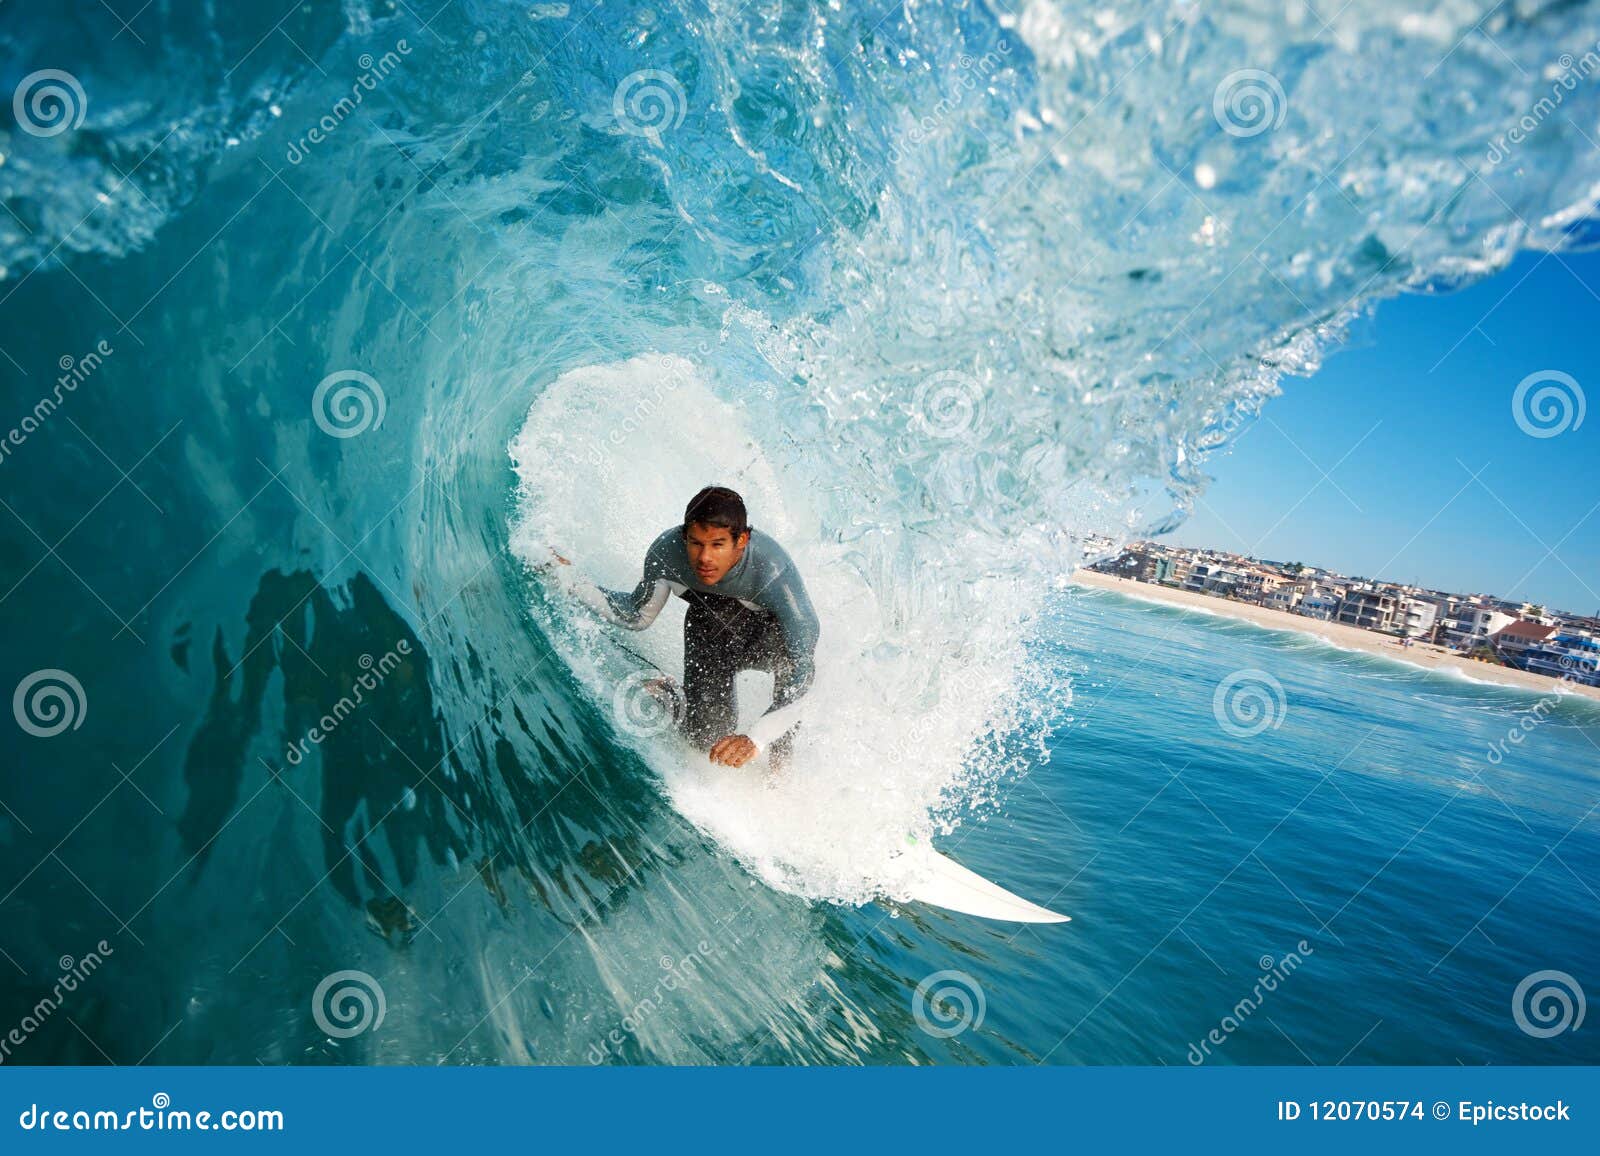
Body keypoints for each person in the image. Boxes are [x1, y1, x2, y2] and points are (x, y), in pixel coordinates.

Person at [546, 486, 819, 770]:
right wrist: (569, 579)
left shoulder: (773, 573)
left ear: (742, 540)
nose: (704, 559)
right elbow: (636, 615)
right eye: (696, 543)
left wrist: (757, 738)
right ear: (684, 536)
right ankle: (673, 695)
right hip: (710, 636)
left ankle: (779, 769)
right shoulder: (667, 553)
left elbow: (802, 673)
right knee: (704, 740)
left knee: (788, 687)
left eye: (717, 544)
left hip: (768, 641)